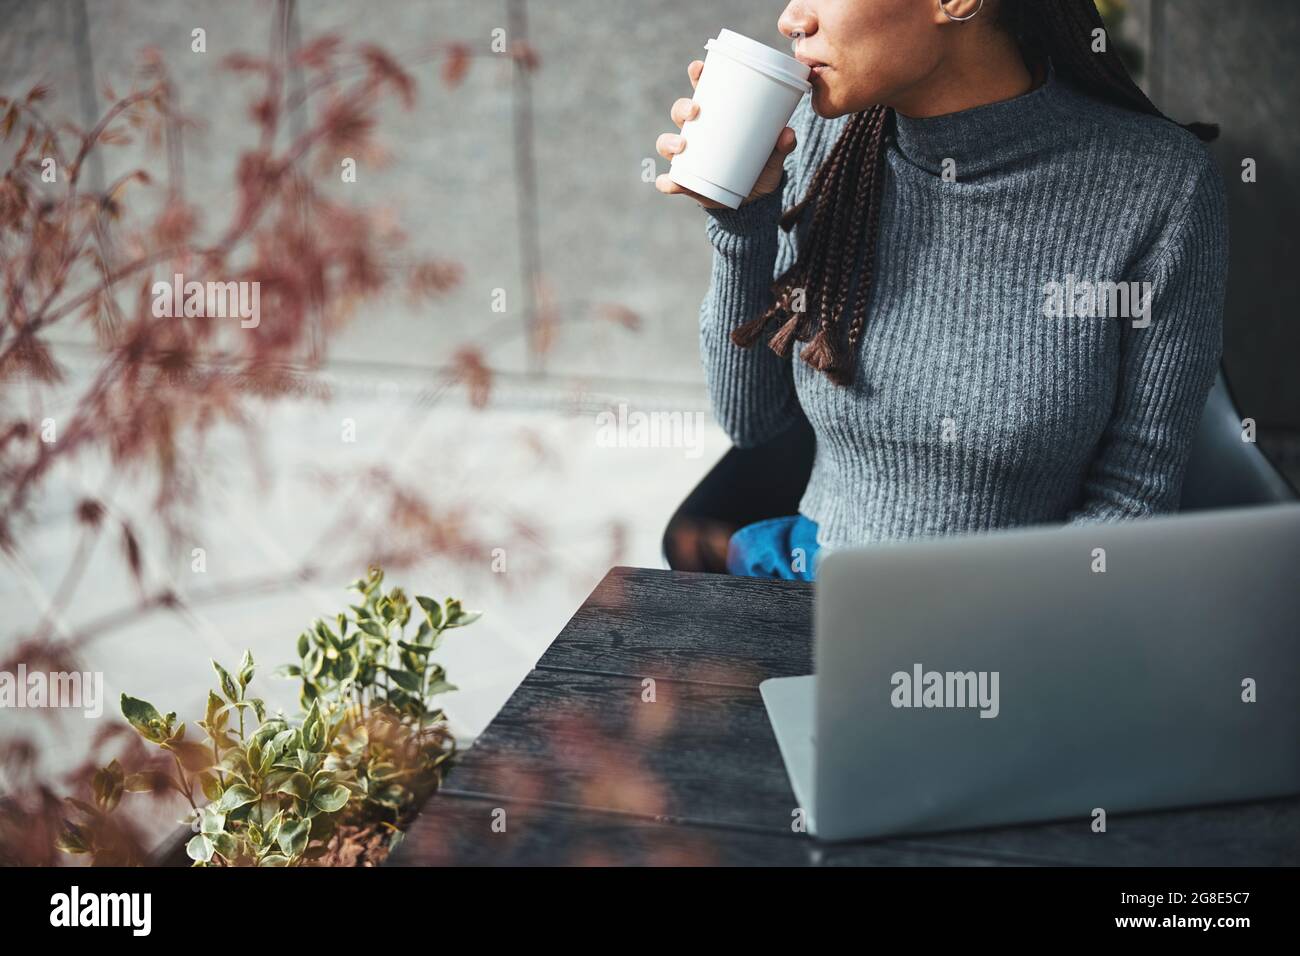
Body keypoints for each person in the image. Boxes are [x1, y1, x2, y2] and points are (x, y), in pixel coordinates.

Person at [655, 0, 1227, 581]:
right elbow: (751, 422)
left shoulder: (1160, 186)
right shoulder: (818, 143)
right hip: (814, 585)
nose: (792, 18)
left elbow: (1133, 498)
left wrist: (973, 633)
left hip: (1017, 614)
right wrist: (741, 221)